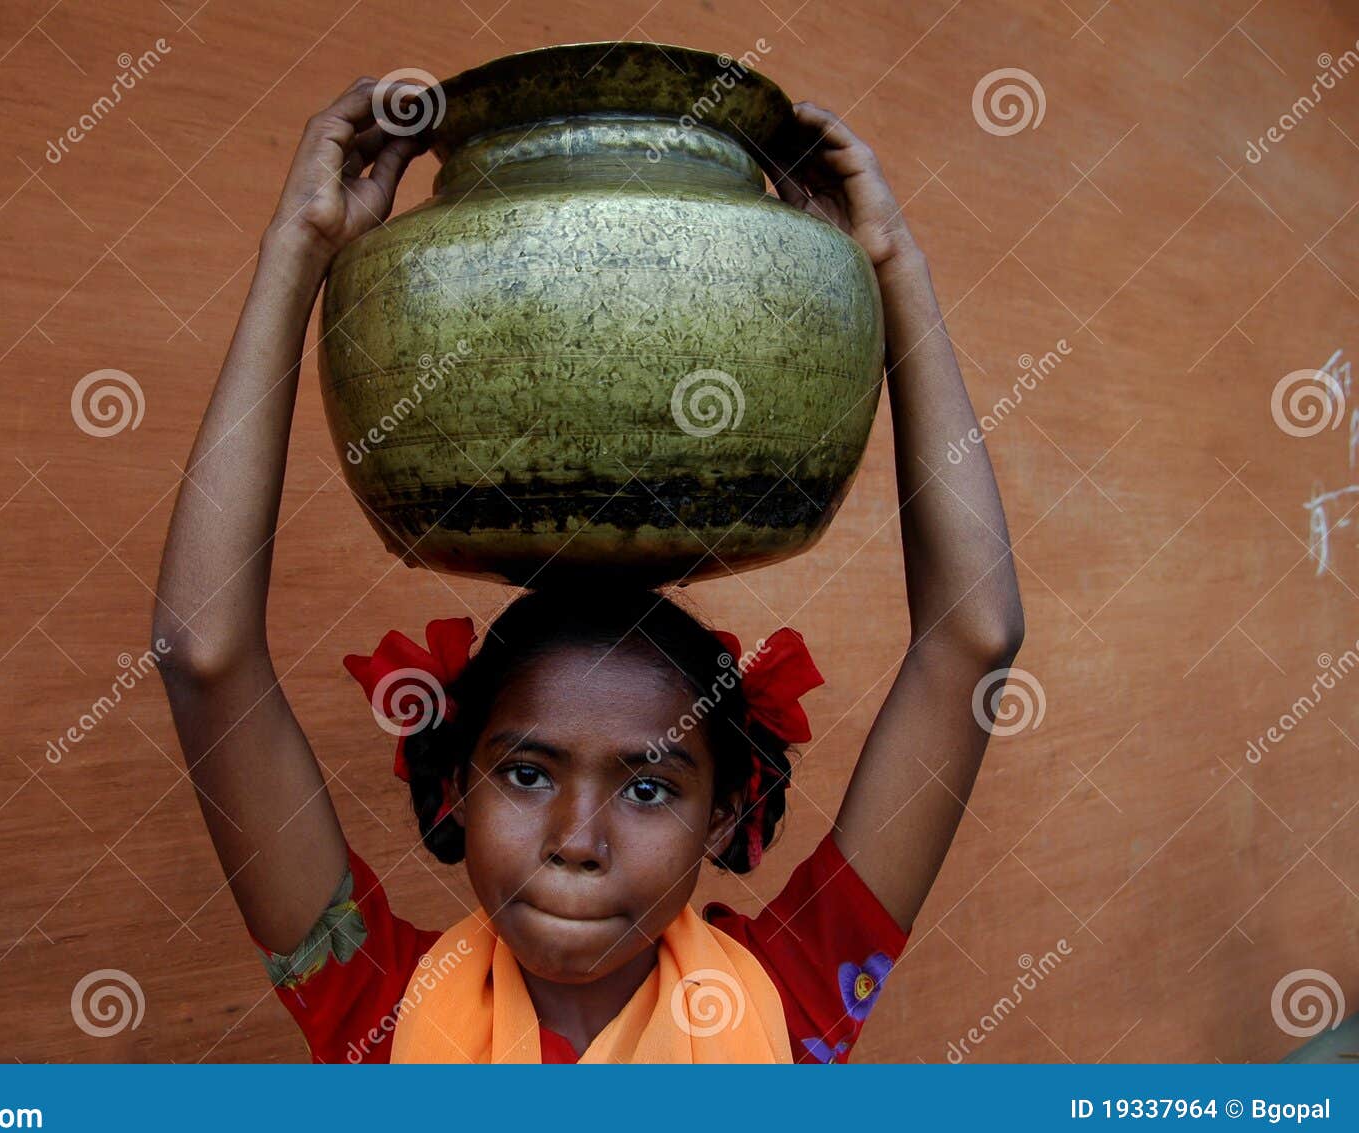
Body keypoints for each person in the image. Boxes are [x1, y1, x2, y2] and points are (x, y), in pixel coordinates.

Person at [153, 76, 1025, 1063]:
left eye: (649, 787)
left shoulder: (791, 996)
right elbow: (202, 653)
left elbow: (972, 639)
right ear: (452, 792)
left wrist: (889, 267)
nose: (577, 835)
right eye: (525, 771)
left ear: (725, 810)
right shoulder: (377, 1006)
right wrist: (297, 251)